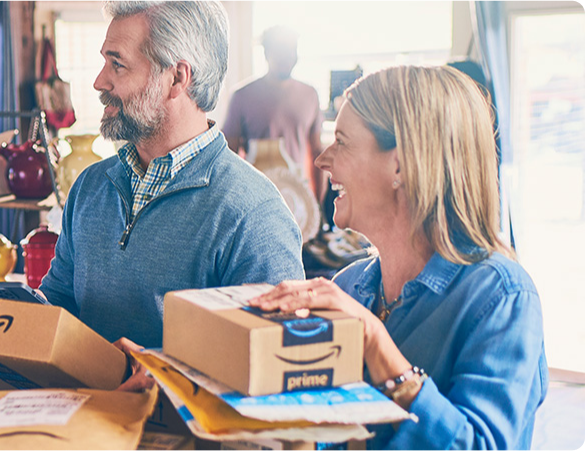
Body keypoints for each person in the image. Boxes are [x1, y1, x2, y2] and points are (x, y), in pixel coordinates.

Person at [248, 66, 546, 450]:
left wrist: (374, 339)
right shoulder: (349, 286)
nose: (322, 160)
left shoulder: (502, 297)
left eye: (341, 141)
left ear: (400, 165)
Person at [41, 0, 304, 350]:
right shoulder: (89, 187)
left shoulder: (254, 215)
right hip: (84, 404)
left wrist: (155, 368)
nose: (98, 81)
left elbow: (274, 363)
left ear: (177, 77)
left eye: (117, 65)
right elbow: (58, 309)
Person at [221, 26, 326, 201]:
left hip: (298, 198)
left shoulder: (310, 95)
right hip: (256, 196)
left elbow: (317, 153)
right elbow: (227, 156)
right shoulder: (242, 96)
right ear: (266, 53)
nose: (286, 56)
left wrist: (318, 206)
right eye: (280, 50)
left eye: (291, 50)